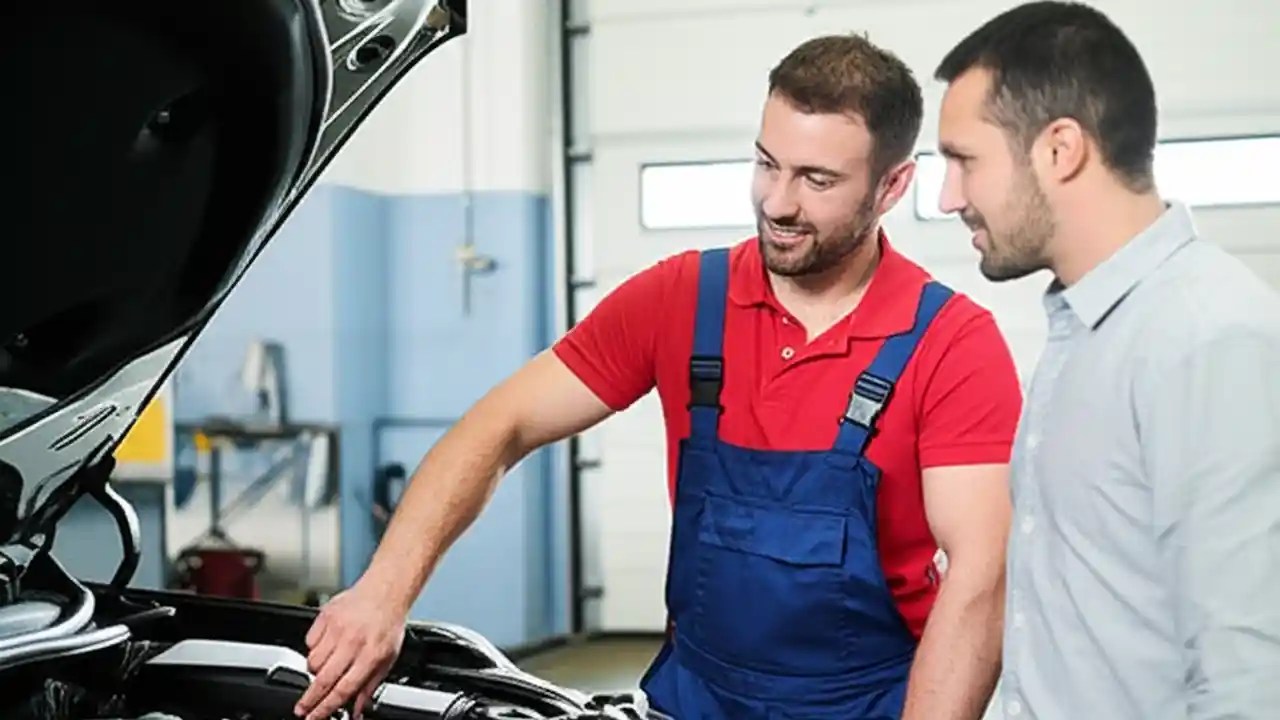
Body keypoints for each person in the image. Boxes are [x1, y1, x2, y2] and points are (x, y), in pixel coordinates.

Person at [294, 33, 1023, 720]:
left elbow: (979, 578)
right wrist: (382, 594)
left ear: (893, 186)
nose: (777, 202)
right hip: (693, 698)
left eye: (817, 179)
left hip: (863, 705)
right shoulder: (681, 300)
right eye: (767, 163)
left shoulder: (951, 345)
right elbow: (500, 424)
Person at [932, 2, 1280, 718]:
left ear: (1061, 149)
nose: (947, 198)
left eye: (964, 161)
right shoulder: (1085, 331)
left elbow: (1251, 678)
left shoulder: (1208, 338)